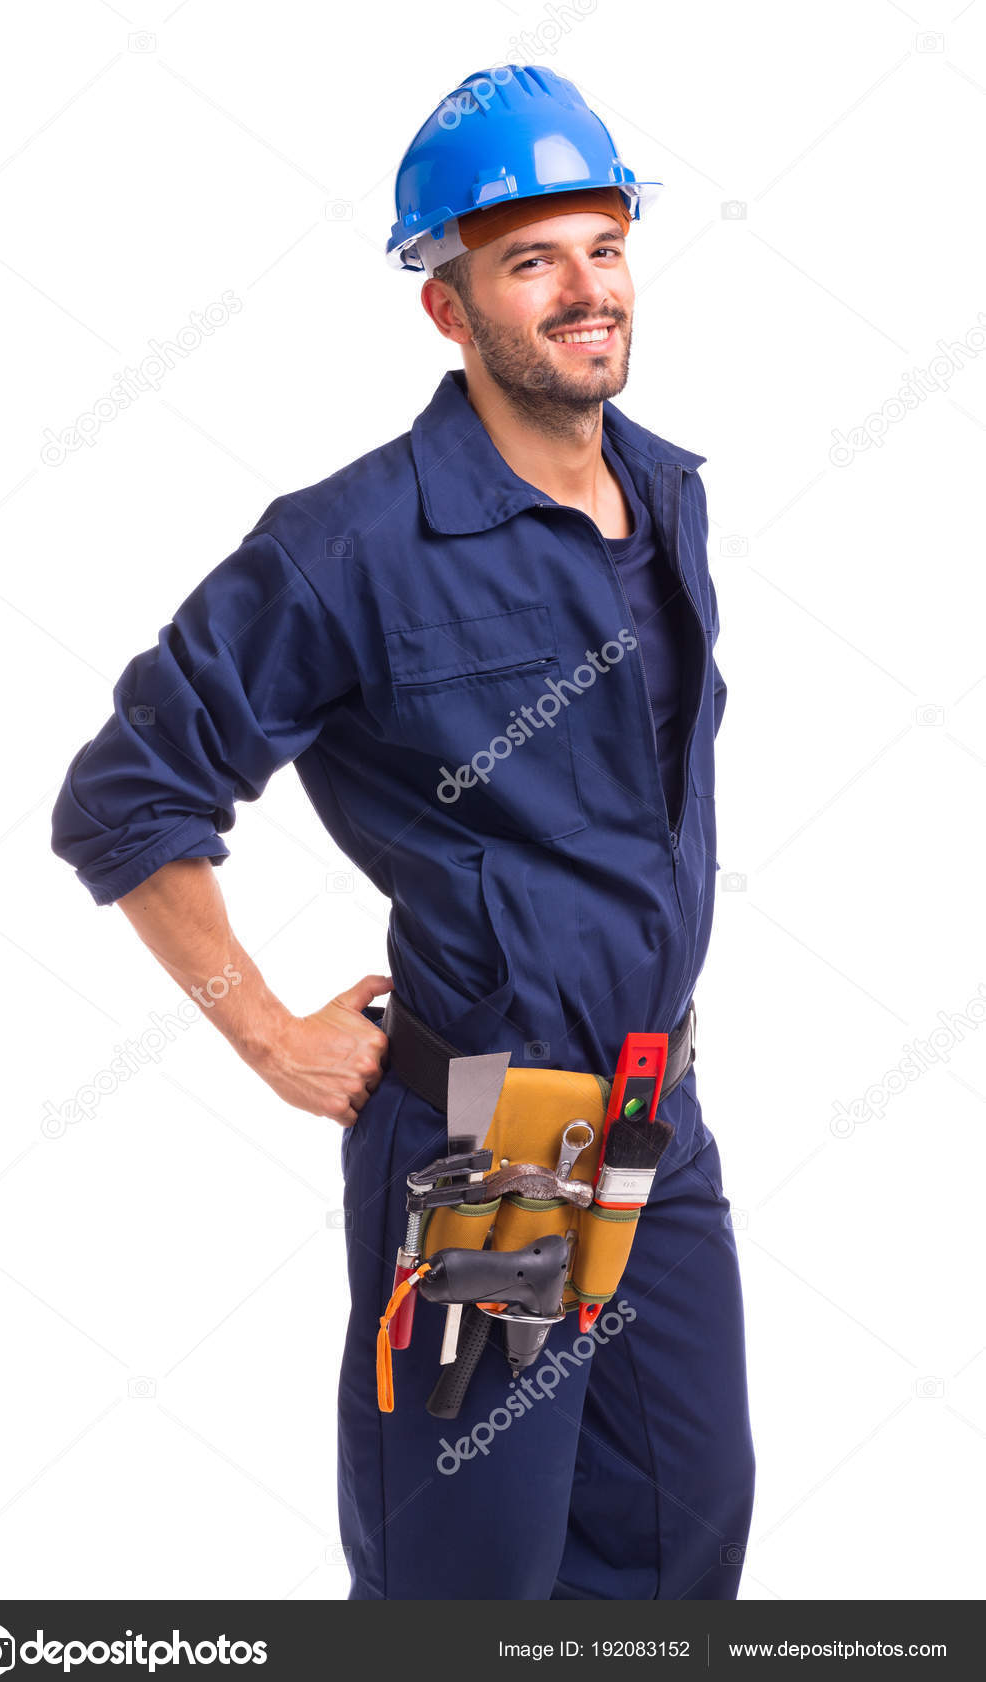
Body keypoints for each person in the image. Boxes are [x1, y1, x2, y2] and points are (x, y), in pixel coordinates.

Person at [51, 64, 755, 1601]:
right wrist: (262, 1030)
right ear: (448, 306)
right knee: (469, 1593)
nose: (588, 289)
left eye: (607, 247)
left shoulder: (667, 496)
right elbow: (126, 794)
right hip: (499, 1146)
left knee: (679, 1547)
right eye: (531, 261)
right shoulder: (352, 547)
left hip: (656, 1121)